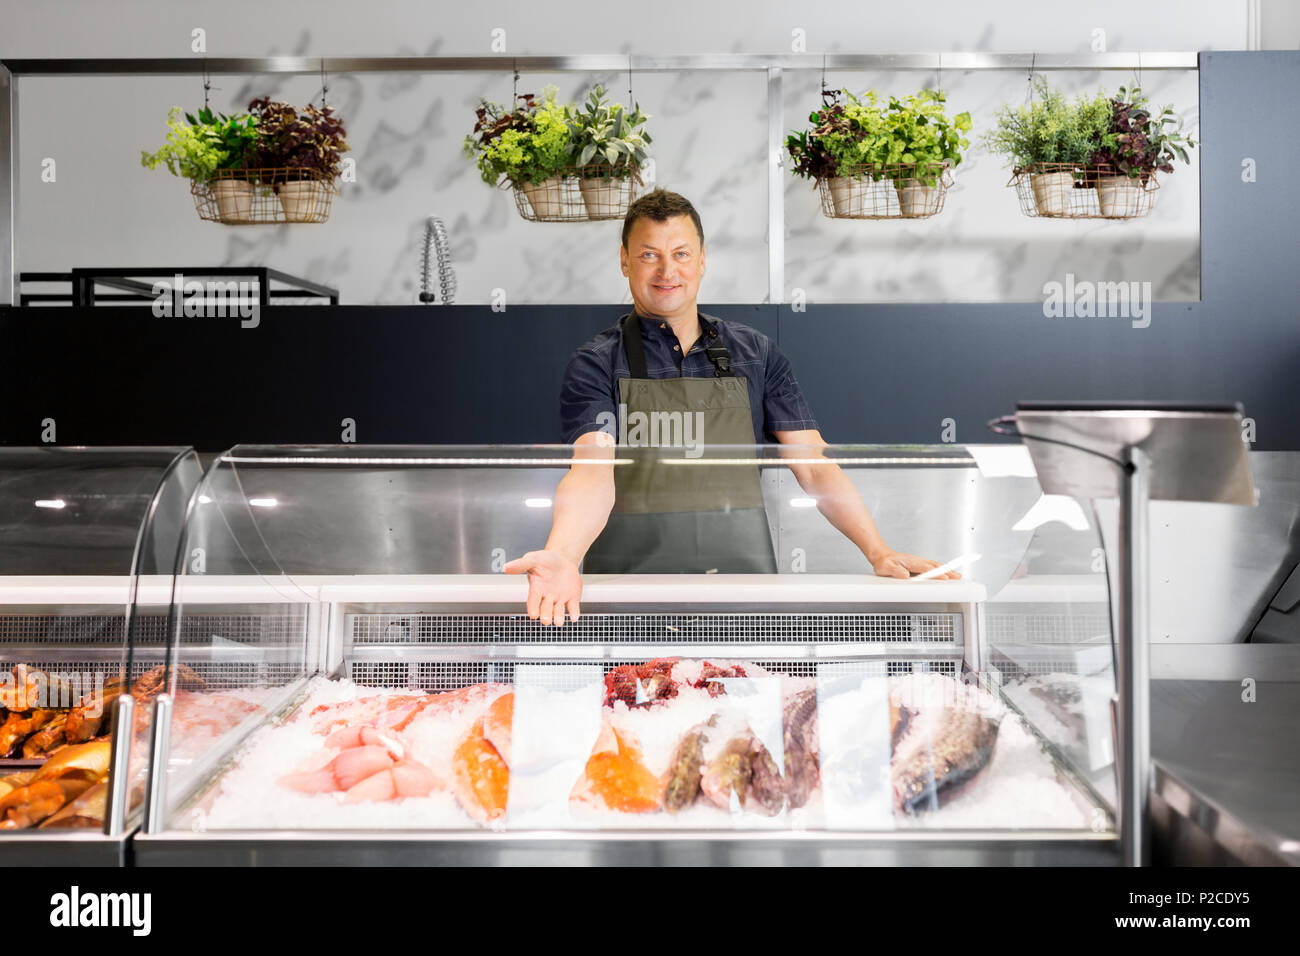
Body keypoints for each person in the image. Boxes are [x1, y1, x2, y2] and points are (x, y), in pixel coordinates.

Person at [504, 188, 957, 625]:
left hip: (743, 602)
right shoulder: (597, 362)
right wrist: (563, 555)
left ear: (702, 260)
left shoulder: (755, 353)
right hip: (630, 603)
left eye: (681, 253)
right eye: (649, 254)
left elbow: (816, 466)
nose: (667, 270)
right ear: (624, 260)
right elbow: (591, 471)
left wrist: (877, 550)